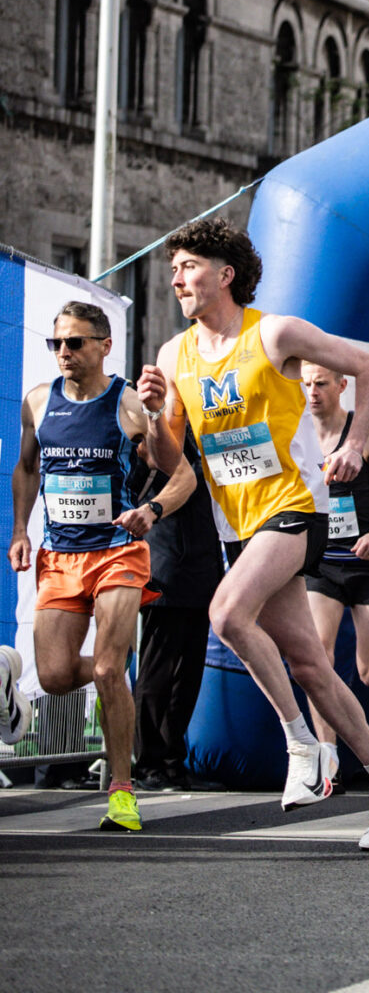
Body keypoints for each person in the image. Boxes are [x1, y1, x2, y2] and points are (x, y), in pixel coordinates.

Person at [134, 217, 369, 851]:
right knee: (313, 666)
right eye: (174, 268)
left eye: (187, 265)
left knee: (226, 614)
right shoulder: (172, 355)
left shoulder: (277, 333)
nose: (177, 277)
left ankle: (302, 744)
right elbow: (168, 459)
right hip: (237, 525)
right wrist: (155, 413)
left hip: (295, 508)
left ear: (225, 274)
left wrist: (352, 444)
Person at [9, 303, 195, 831]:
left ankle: (120, 790)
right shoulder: (39, 402)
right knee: (55, 675)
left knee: (112, 668)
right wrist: (20, 531)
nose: (64, 353)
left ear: (105, 345)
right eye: (57, 344)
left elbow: (180, 476)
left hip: (117, 550)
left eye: (76, 343)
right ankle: (64, 691)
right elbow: (25, 468)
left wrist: (151, 509)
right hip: (59, 556)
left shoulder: (130, 403)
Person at [298, 362, 369, 780]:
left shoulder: (363, 434)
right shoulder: (299, 434)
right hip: (325, 564)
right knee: (317, 655)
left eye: (322, 384)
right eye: (307, 384)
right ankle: (327, 751)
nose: (313, 392)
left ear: (342, 385)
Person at [132, 431, 223, 790]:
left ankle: (172, 762)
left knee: (188, 674)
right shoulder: (154, 432)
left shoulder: (208, 432)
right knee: (157, 670)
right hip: (164, 565)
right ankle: (148, 765)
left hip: (204, 566)